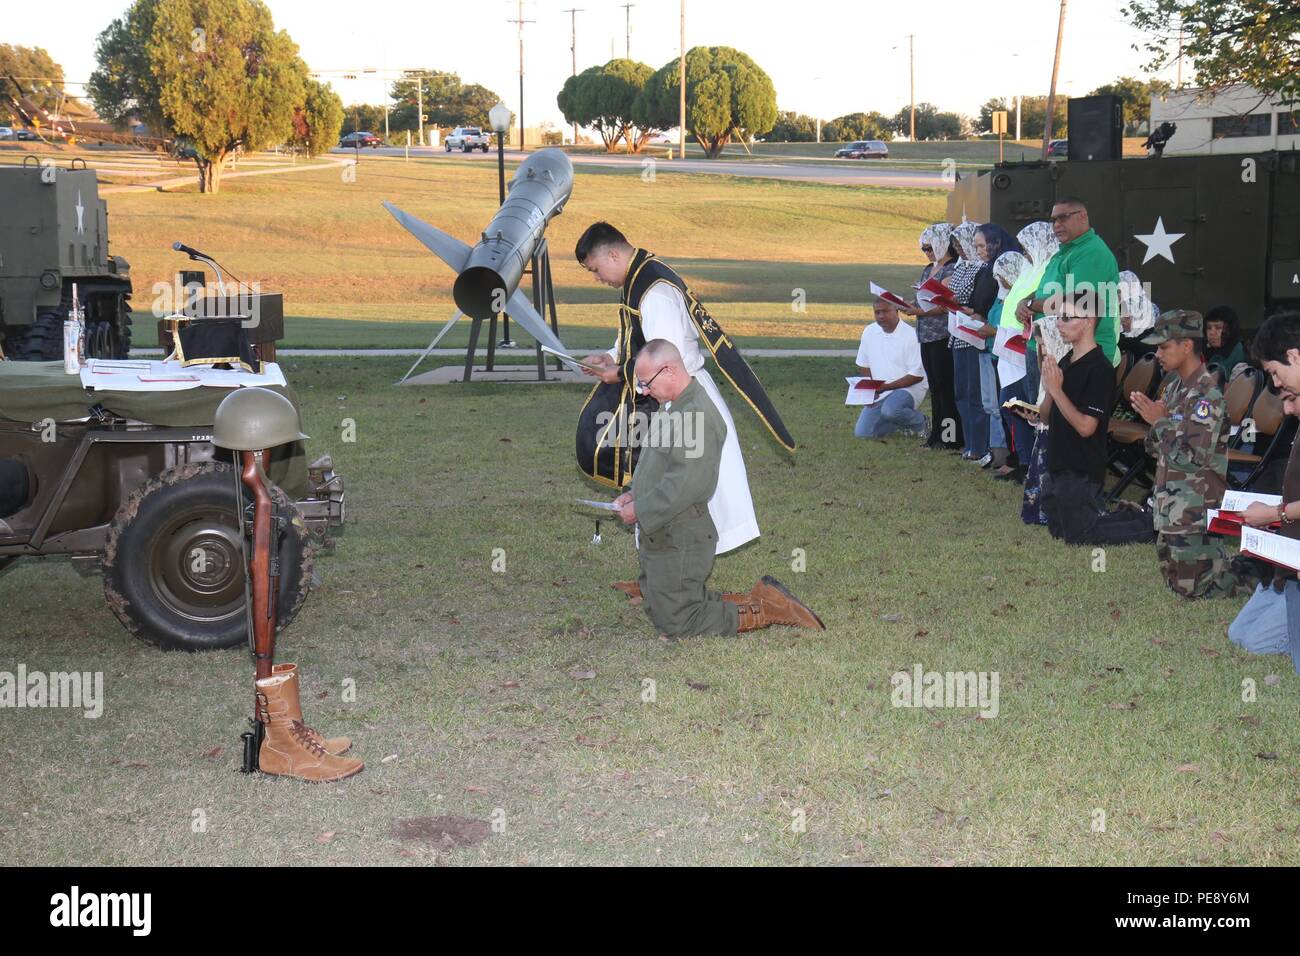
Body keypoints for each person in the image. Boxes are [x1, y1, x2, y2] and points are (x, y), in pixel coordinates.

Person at [573, 222, 794, 560]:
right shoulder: (639, 276)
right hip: (665, 394)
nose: (597, 277)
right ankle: (658, 563)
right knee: (655, 474)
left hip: (682, 397)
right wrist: (610, 356)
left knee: (681, 480)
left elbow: (667, 358)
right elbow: (638, 337)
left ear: (613, 255)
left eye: (596, 269)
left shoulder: (653, 290)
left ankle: (679, 566)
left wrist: (618, 373)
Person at [612, 340, 825, 638]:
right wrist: (634, 493)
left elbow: (685, 483)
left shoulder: (695, 415)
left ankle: (771, 608)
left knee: (677, 623)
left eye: (646, 383)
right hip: (666, 528)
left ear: (669, 370)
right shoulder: (675, 404)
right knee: (660, 605)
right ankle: (750, 598)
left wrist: (641, 509)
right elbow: (657, 463)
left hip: (682, 531)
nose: (644, 391)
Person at [1129, 309, 1256, 598]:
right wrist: (1156, 425)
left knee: (1195, 589)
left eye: (1164, 346)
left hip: (1195, 504)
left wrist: (1158, 422)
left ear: (1187, 346)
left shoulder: (1206, 396)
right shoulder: (1175, 387)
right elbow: (1154, 448)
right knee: (1178, 583)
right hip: (1170, 502)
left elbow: (1192, 458)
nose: (1158, 354)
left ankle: (1261, 572)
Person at [1017, 291, 1115, 544]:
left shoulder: (1099, 369)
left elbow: (1085, 427)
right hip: (1058, 466)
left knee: (1082, 536)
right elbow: (1048, 418)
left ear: (1089, 320)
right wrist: (1048, 392)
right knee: (1059, 531)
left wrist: (1057, 391)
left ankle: (1141, 520)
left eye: (1067, 318)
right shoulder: (1066, 359)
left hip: (1081, 470)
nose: (1059, 323)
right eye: (1059, 317)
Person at [1239, 311, 1300, 674]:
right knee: (1243, 636)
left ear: (1294, 355)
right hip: (1291, 560)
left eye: (1276, 372)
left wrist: (1277, 515)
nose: (1276, 385)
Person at [1016, 197, 1122, 367]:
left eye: (1063, 217)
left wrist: (1030, 304)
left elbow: (1076, 304)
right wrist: (1024, 302)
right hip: (1049, 349)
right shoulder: (1064, 252)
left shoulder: (1092, 252)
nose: (1056, 225)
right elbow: (1044, 290)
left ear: (1082, 216)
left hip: (1078, 356)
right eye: (1053, 220)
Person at [904, 223, 963, 451]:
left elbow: (945, 305)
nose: (927, 253)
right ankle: (936, 436)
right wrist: (910, 305)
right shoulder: (929, 269)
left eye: (930, 248)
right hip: (925, 335)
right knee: (936, 388)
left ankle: (950, 438)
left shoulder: (952, 269)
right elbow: (922, 297)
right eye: (924, 249)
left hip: (942, 335)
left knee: (946, 387)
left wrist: (918, 311)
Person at [974, 224, 1023, 471]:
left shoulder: (1015, 297)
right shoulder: (1003, 294)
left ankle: (1016, 460)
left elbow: (1014, 327)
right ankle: (1007, 456)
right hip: (997, 352)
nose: (998, 279)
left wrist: (991, 330)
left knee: (1011, 407)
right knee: (998, 406)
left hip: (1010, 357)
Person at [949, 221, 998, 464]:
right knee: (961, 392)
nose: (958, 247)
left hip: (974, 334)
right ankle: (970, 444)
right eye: (955, 243)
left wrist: (963, 306)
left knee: (976, 393)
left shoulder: (985, 269)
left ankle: (980, 446)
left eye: (962, 242)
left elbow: (980, 303)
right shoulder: (962, 266)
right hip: (958, 332)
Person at [853, 298, 928, 439]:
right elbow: (863, 365)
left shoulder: (912, 335)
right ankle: (902, 424)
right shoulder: (869, 331)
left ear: (897, 311)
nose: (881, 316)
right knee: (863, 434)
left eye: (886, 311)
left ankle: (922, 423)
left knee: (891, 410)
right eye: (877, 312)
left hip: (909, 388)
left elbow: (916, 376)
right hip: (881, 389)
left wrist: (885, 387)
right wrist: (869, 391)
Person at [990, 250, 1032, 481]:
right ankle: (1021, 462)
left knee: (1016, 409)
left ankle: (1026, 464)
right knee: (1009, 410)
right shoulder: (1010, 291)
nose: (1000, 280)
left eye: (1002, 274)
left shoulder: (1027, 286)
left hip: (1019, 360)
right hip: (1007, 357)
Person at [1204, 305, 1247, 381]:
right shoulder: (1209, 352)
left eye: (1218, 328)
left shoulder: (1239, 353)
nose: (1212, 333)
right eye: (1209, 328)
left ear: (1230, 329)